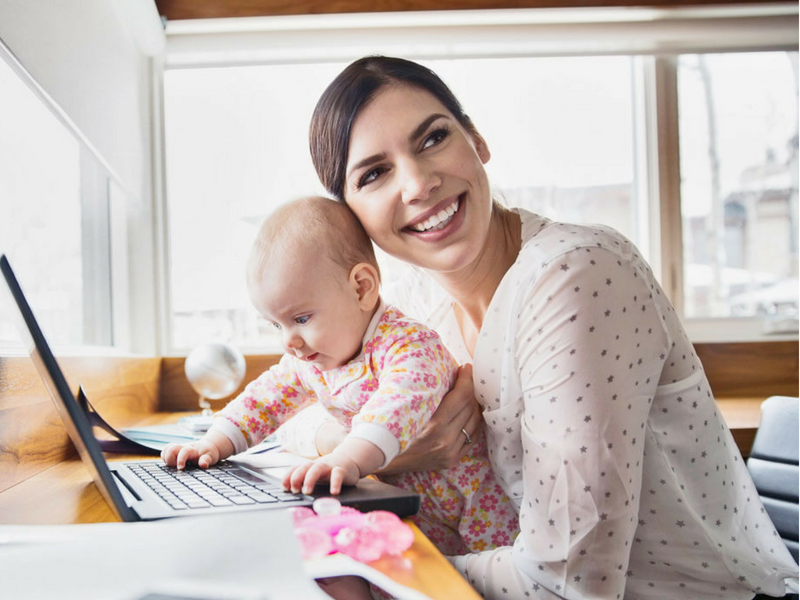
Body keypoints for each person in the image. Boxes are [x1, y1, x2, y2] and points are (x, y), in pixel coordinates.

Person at [299, 55, 799, 600]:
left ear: (477, 142)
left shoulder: (575, 275)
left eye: (433, 139)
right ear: (353, 218)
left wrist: (382, 569)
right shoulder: (418, 306)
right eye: (374, 174)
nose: (418, 183)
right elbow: (303, 422)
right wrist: (400, 449)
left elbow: (569, 582)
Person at [161, 196, 519, 556]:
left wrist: (346, 459)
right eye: (276, 324)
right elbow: (263, 401)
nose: (289, 341)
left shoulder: (408, 344)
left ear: (362, 288)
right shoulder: (311, 360)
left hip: (475, 505)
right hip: (405, 505)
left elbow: (396, 406)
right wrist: (213, 443)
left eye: (300, 319)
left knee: (475, 580)